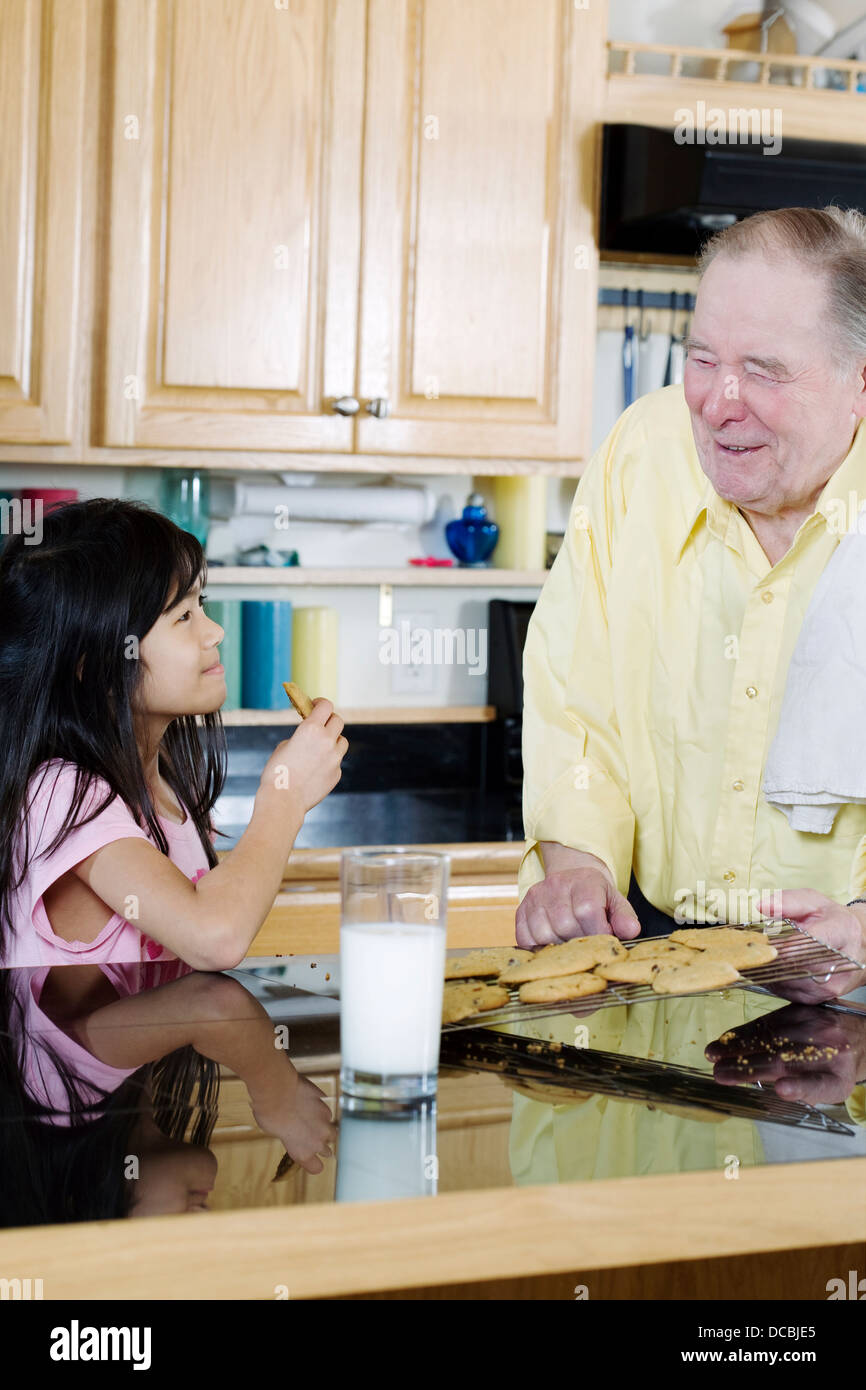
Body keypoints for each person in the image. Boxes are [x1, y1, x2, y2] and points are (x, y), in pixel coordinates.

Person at [518, 205, 866, 1003]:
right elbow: (576, 690)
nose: (718, 402)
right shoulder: (641, 451)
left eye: (766, 369)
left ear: (861, 381)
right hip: (650, 947)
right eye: (702, 359)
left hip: (848, 975)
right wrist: (575, 869)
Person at [0, 499, 348, 969]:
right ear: (95, 665)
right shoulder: (62, 795)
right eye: (183, 617)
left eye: (199, 605)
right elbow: (214, 937)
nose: (216, 631)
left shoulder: (163, 787)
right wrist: (284, 797)